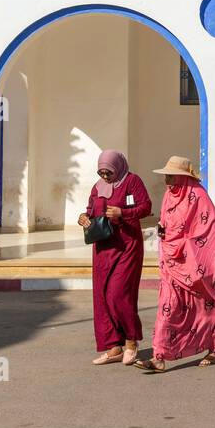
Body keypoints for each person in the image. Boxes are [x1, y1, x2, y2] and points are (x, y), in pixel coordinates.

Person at [134, 156, 215, 373]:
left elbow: (212, 227)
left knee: (209, 307)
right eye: (166, 176)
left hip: (197, 264)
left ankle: (214, 349)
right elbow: (166, 223)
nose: (167, 181)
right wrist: (162, 231)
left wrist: (190, 247)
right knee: (168, 308)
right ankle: (159, 356)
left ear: (183, 177)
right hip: (173, 264)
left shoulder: (198, 196)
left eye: (171, 176)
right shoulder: (169, 197)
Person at [78, 150, 151, 366]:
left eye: (108, 172)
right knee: (102, 297)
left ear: (117, 167)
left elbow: (146, 207)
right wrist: (83, 218)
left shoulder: (132, 181)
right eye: (101, 172)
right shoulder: (97, 187)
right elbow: (91, 210)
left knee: (119, 295)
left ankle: (131, 341)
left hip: (127, 245)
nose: (105, 177)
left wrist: (123, 213)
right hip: (103, 248)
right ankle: (113, 347)